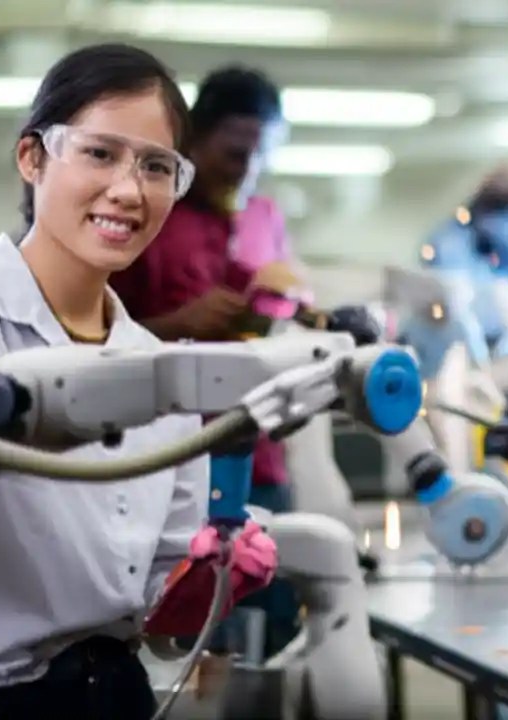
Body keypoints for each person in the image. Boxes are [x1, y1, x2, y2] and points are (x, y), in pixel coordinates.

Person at [0, 44, 273, 719]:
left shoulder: (158, 368)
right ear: (33, 158)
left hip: (113, 693)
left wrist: (208, 579)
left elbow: (156, 606)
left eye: (156, 166)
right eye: (100, 153)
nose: (129, 189)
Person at [109, 65, 301, 658]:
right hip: (171, 460)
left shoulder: (263, 218)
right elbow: (93, 342)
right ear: (193, 141)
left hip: (260, 456)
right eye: (234, 150)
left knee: (265, 637)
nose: (246, 167)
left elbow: (289, 308)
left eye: (259, 153)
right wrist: (178, 327)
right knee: (185, 642)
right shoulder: (149, 219)